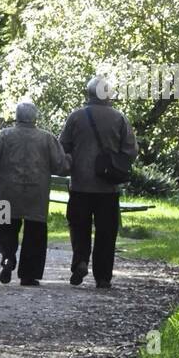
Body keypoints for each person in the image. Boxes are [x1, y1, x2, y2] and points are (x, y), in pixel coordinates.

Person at [0, 101, 69, 287]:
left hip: (6, 195)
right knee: (35, 234)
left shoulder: (5, 135)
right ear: (35, 117)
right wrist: (71, 159)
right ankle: (29, 275)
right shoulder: (47, 138)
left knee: (3, 227)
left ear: (16, 116)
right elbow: (61, 166)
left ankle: (8, 255)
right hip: (36, 196)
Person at [59, 75, 138, 290]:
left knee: (79, 227)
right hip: (108, 186)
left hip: (80, 185)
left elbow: (62, 146)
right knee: (106, 232)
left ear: (89, 93)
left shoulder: (76, 117)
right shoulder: (119, 118)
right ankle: (103, 277)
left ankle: (81, 261)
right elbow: (131, 150)